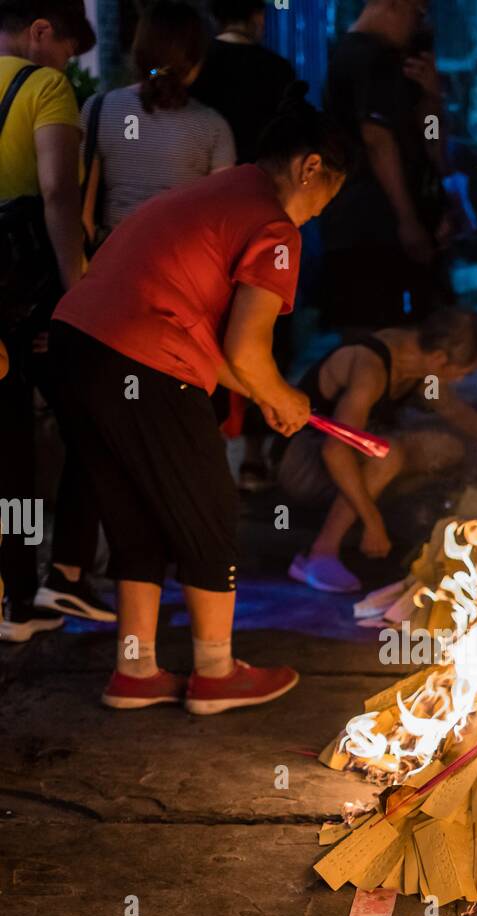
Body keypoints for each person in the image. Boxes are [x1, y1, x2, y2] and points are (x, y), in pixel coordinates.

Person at [48, 85, 350, 714]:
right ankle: (215, 672)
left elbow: (221, 351)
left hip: (77, 345)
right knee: (209, 510)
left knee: (138, 513)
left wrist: (263, 395)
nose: (317, 216)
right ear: (310, 168)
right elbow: (245, 349)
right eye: (326, 201)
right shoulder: (272, 226)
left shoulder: (219, 194)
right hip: (145, 355)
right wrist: (285, 396)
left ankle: (135, 671)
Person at [0, 0, 110, 640]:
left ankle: (14, 597)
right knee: (94, 423)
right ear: (41, 32)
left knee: (10, 452)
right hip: (29, 298)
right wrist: (79, 294)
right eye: (66, 51)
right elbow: (57, 194)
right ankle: (57, 579)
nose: (66, 64)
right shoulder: (44, 86)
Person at [279, 308, 477, 594]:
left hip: (351, 452)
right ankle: (320, 553)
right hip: (301, 463)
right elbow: (334, 450)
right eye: (463, 373)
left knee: (445, 448)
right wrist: (372, 520)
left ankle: (383, 516)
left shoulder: (419, 362)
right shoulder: (370, 367)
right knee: (388, 454)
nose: (461, 380)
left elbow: (453, 410)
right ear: (440, 359)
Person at [190, 1, 298, 493]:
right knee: (263, 330)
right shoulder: (277, 71)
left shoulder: (198, 67)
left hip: (205, 222)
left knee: (205, 329)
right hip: (263, 216)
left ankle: (205, 449)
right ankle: (254, 454)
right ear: (257, 16)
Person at [320, 0, 451, 332]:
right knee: (374, 335)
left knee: (414, 330)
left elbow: (430, 139)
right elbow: (377, 140)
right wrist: (408, 221)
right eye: (417, 13)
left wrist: (432, 98)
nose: (420, 24)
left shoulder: (395, 62)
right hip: (369, 224)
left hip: (394, 221)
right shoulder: (365, 58)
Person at [79, 1, 235, 244]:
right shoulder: (213, 127)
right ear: (195, 60)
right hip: (183, 266)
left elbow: (82, 213)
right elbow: (221, 219)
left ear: (138, 50)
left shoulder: (98, 109)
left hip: (113, 262)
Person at [190, 0, 295, 165]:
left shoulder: (194, 60)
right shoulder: (278, 68)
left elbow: (155, 72)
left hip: (200, 169)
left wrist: (153, 72)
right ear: (257, 16)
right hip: (258, 173)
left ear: (215, 17)